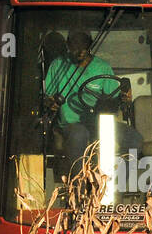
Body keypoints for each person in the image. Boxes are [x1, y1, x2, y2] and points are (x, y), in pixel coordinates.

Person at [42, 30, 140, 171]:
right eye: (75, 44)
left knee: (134, 138)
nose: (80, 49)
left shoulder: (102, 67)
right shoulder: (58, 65)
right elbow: (46, 97)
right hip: (71, 124)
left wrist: (123, 98)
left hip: (100, 123)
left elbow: (113, 100)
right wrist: (50, 103)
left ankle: (119, 184)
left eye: (84, 44)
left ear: (90, 45)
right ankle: (78, 187)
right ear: (68, 45)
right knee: (79, 135)